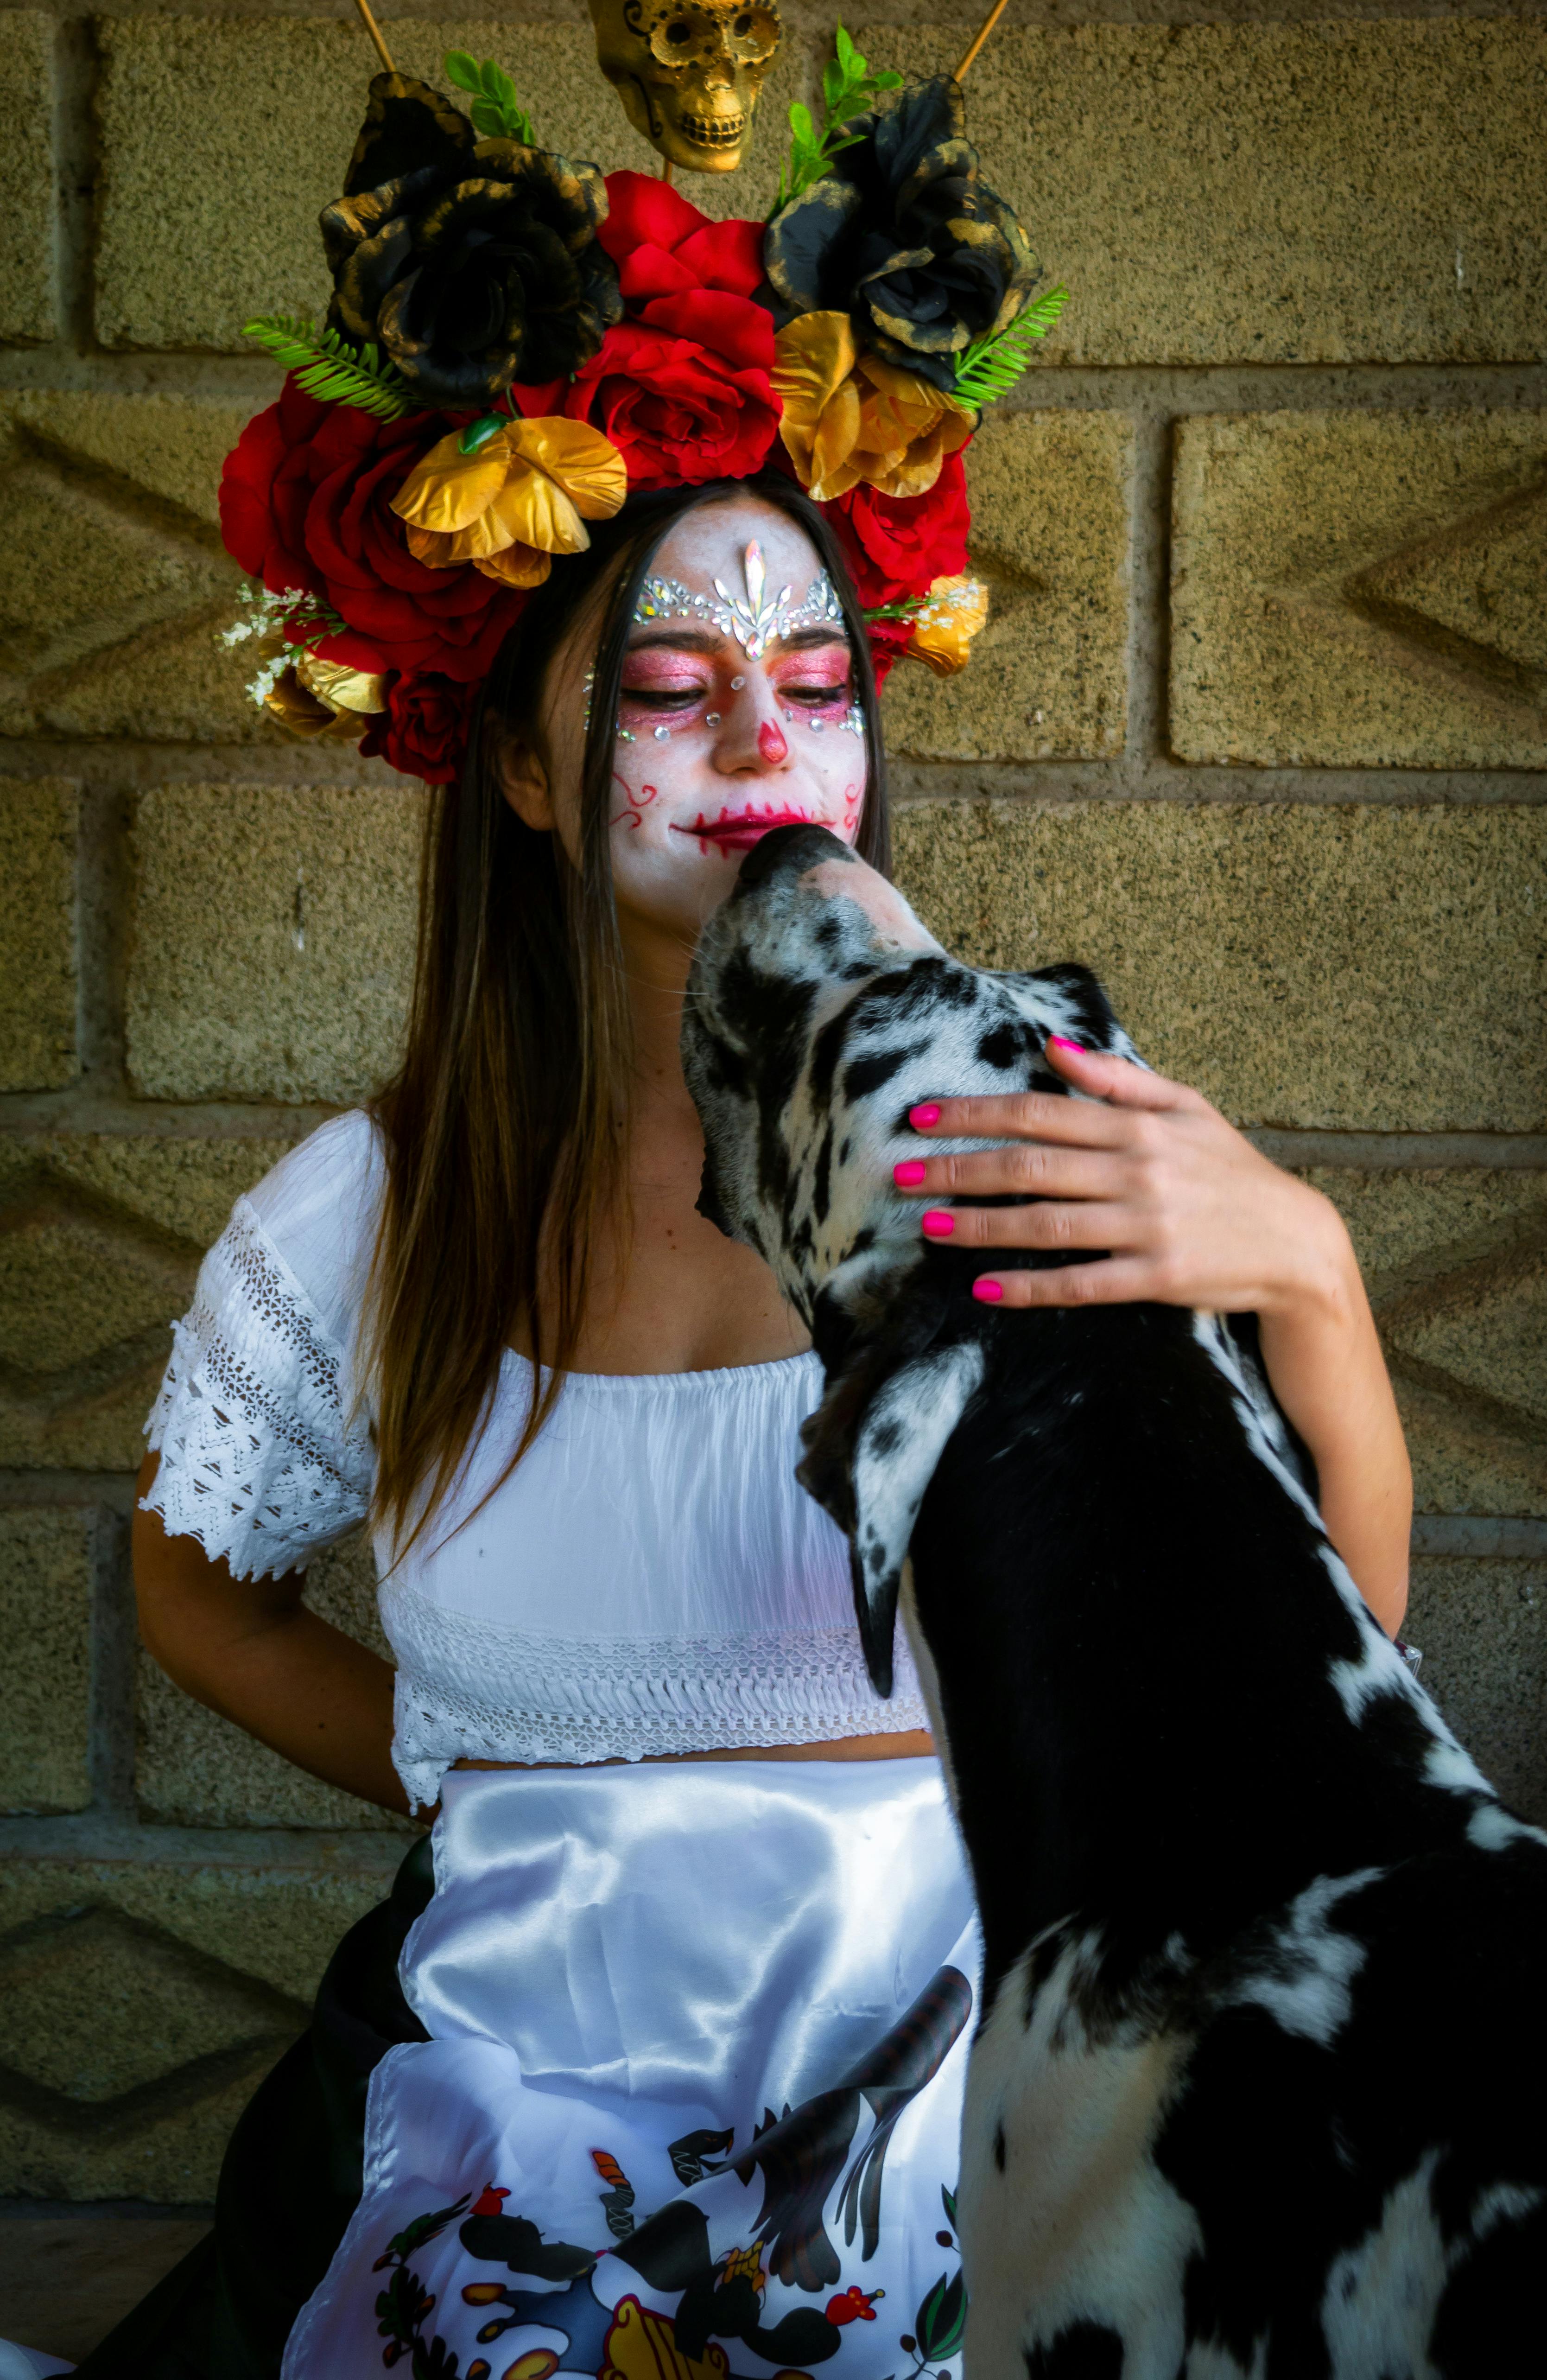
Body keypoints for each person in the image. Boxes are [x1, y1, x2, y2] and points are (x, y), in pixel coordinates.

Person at [28, 473, 1410, 2380]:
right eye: (672, 687)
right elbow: (204, 1604)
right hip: (506, 2098)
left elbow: (1313, 1669)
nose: (766, 739)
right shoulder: (372, 1214)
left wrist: (1314, 1275)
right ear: (522, 770)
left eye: (821, 679)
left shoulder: (1009, 1142)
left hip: (950, 2106)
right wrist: (494, 1774)